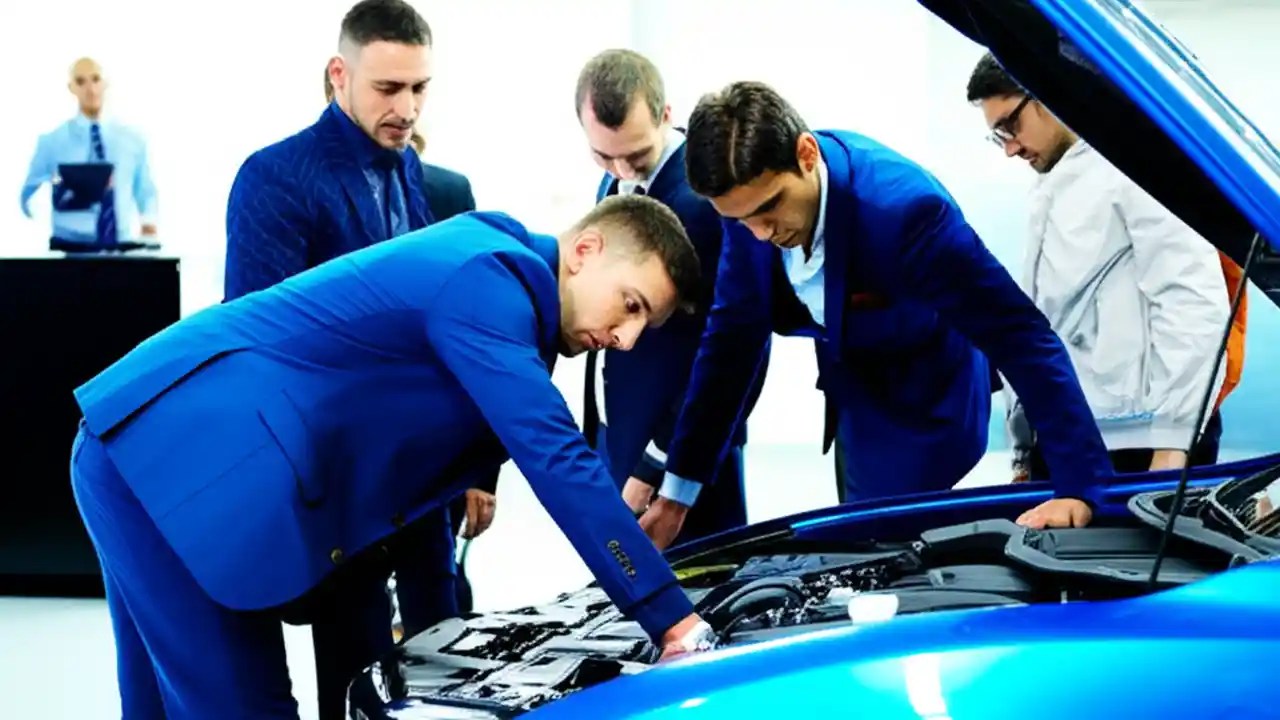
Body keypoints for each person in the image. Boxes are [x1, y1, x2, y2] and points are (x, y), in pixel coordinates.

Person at [70, 195, 714, 719]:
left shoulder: (501, 266)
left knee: (157, 707)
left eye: (643, 325)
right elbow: (557, 456)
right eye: (630, 305)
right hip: (174, 461)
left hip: (150, 448)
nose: (626, 339)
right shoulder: (489, 283)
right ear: (585, 250)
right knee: (242, 707)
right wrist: (671, 620)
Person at [637, 81, 1114, 548]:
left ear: (806, 155)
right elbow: (729, 346)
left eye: (769, 210)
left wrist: (1079, 483)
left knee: (888, 546)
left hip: (924, 389)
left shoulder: (905, 210)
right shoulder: (747, 209)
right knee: (858, 539)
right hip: (853, 380)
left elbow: (1020, 335)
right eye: (741, 221)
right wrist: (678, 494)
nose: (760, 235)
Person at [222, 2, 490, 716]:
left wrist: (465, 459)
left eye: (419, 88)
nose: (406, 108)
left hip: (422, 482)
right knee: (357, 679)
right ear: (339, 75)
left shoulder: (407, 172)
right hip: (344, 493)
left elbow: (432, 328)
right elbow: (263, 356)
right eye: (388, 89)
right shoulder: (275, 178)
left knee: (444, 669)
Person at [965, 53, 1241, 479]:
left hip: (1142, 445)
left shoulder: (1137, 168)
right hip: (1073, 437)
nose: (1010, 148)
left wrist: (1173, 447)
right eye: (997, 136)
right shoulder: (1053, 183)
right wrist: (1024, 445)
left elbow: (1192, 305)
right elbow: (1043, 325)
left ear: (1044, 91)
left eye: (1010, 127)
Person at [574, 49, 766, 545]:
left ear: (665, 115)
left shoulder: (706, 200)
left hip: (679, 447)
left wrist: (661, 457)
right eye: (603, 155)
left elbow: (726, 347)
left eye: (635, 155)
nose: (621, 168)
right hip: (619, 431)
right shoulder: (615, 183)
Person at [21, 57, 158, 249]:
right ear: (71, 87)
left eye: (95, 79)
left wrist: (149, 224)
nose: (90, 89)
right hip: (67, 249)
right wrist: (56, 193)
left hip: (120, 249)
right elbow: (28, 197)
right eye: (80, 81)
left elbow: (145, 189)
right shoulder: (51, 142)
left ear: (106, 83)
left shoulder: (133, 140)